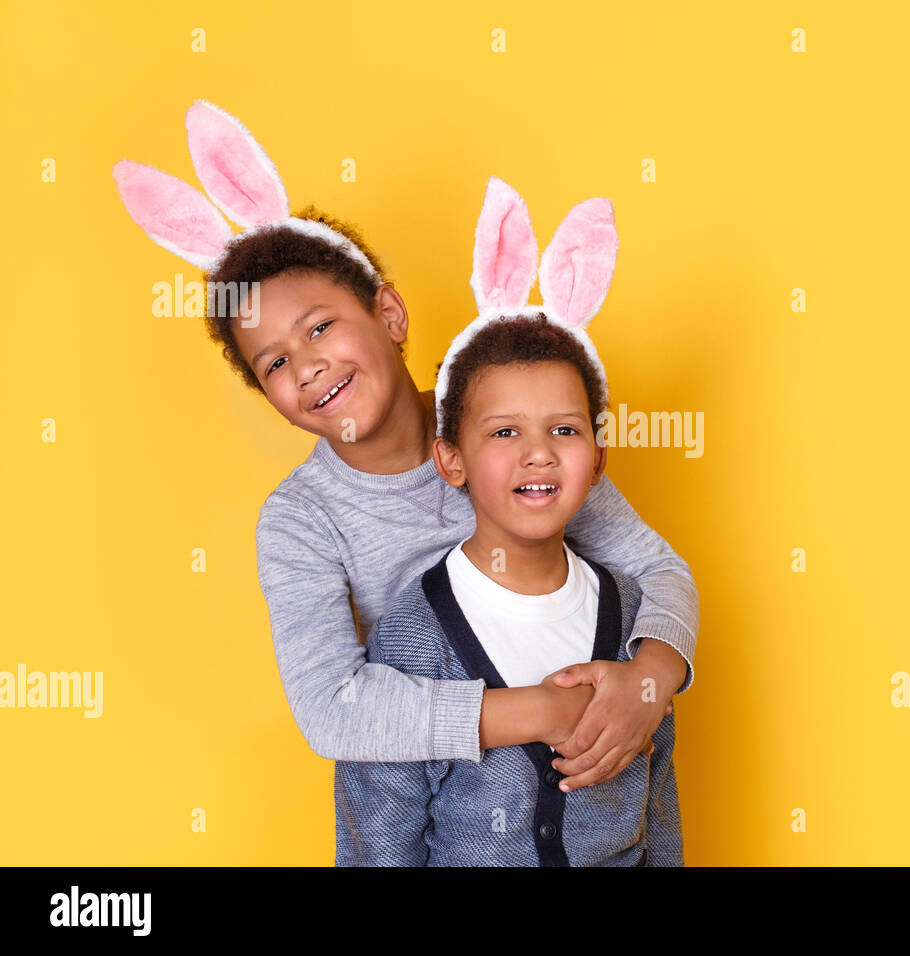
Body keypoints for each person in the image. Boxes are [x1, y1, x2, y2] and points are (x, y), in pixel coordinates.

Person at [111, 102, 698, 797]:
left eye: (321, 327)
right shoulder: (303, 520)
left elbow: (661, 572)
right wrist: (538, 711)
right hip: (443, 810)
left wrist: (647, 683)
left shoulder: (516, 434)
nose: (306, 367)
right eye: (273, 364)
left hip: (595, 794)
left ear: (389, 315)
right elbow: (333, 708)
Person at [335, 180, 682, 865]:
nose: (537, 453)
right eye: (503, 433)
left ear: (598, 459)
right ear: (451, 459)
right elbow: (377, 842)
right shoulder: (412, 637)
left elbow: (659, 809)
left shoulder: (635, 617)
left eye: (564, 429)